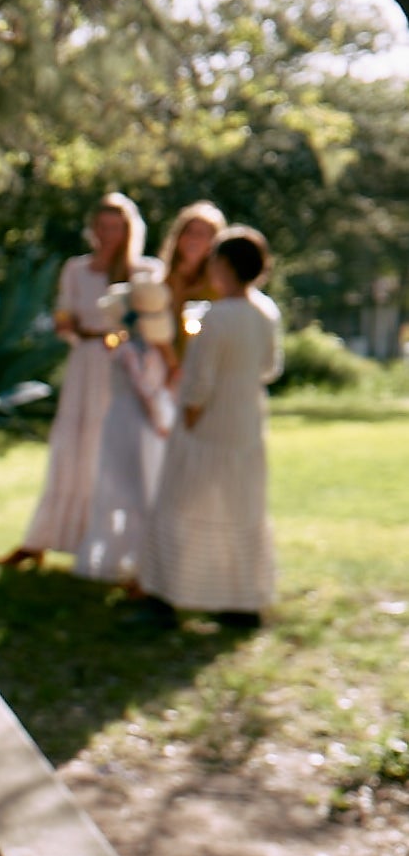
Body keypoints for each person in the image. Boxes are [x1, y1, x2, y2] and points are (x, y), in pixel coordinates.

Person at [140, 226, 283, 625]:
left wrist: (188, 416)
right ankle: (241, 600)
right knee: (242, 508)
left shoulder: (216, 317)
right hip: (247, 422)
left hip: (209, 425)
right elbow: (271, 367)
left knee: (178, 503)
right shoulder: (266, 311)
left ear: (222, 266)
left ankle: (165, 596)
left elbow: (198, 382)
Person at [0, 193, 146, 569]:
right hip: (85, 363)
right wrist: (71, 328)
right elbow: (64, 316)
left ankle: (109, 541)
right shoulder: (76, 270)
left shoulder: (143, 272)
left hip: (122, 365)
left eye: (116, 228)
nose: (108, 235)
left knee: (109, 445)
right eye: (102, 227)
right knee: (73, 445)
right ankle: (48, 535)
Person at [76, 265, 175, 592]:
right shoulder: (130, 350)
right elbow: (142, 390)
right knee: (135, 488)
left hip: (130, 419)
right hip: (133, 421)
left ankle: (136, 560)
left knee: (137, 486)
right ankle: (133, 561)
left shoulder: (135, 349)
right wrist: (160, 419)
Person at [160, 199, 226, 364]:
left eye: (201, 234)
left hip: (207, 365)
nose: (193, 239)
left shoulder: (220, 286)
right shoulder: (165, 281)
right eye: (189, 232)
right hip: (166, 367)